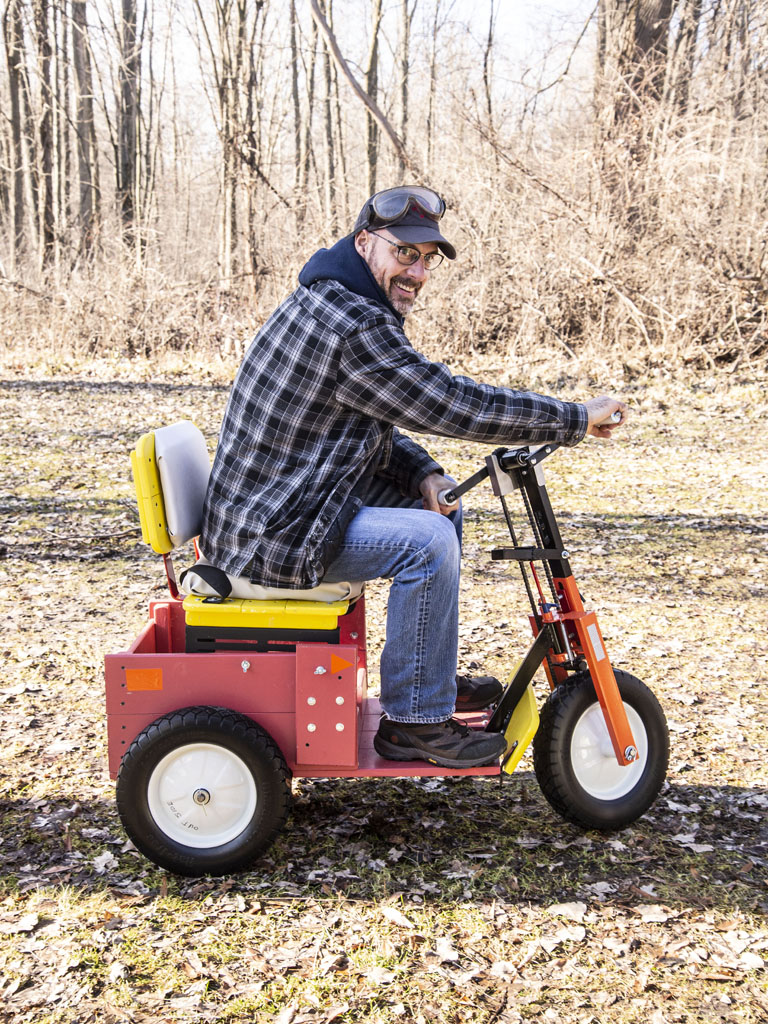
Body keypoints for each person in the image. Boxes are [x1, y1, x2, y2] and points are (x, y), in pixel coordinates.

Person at [199, 185, 626, 770]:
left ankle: (425, 681)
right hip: (272, 532)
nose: (418, 272)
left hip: (286, 505)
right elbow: (452, 404)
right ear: (365, 243)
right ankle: (414, 724)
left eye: (428, 260)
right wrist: (573, 417)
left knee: (442, 507)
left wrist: (422, 472)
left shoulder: (338, 301)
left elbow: (368, 416)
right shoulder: (351, 324)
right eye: (406, 254)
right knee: (426, 544)